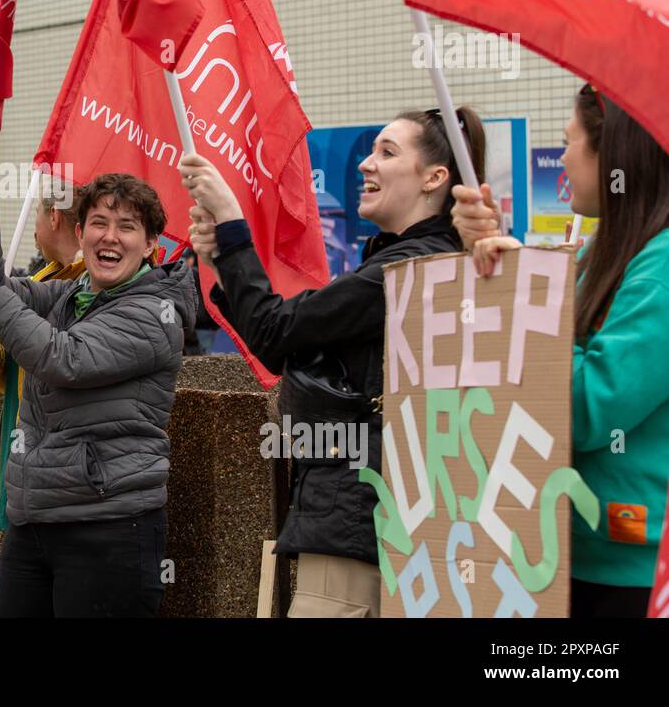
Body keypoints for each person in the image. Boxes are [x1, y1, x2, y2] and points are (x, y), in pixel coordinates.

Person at [184, 107, 488, 617]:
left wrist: (234, 221)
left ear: (435, 178)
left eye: (387, 153)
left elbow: (276, 332)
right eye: (371, 151)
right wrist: (222, 258)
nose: (366, 164)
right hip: (372, 523)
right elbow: (283, 346)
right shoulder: (408, 262)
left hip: (357, 526)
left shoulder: (407, 269)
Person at [452, 84, 669, 618]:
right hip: (570, 551)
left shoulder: (660, 266)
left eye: (569, 140)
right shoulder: (606, 251)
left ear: (614, 154)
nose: (562, 155)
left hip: (633, 569)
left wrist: (523, 297)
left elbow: (584, 407)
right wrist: (498, 267)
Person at [0, 173, 195, 617]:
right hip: (35, 521)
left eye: (127, 226)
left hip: (110, 527)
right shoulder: (72, 292)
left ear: (149, 245)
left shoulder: (155, 313)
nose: (110, 236)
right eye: (98, 222)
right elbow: (1, 294)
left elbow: (63, 358)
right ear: (80, 233)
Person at [0, 182, 86, 533]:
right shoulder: (45, 279)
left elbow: (60, 362)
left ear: (53, 215)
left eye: (35, 213)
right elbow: (22, 371)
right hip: (23, 440)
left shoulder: (93, 287)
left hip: (62, 461)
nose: (32, 228)